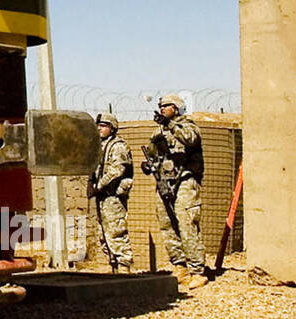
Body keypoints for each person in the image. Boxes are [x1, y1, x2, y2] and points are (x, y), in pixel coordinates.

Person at [144, 94, 208, 291]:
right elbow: (154, 152)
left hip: (185, 181)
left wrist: (170, 126)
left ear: (177, 108)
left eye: (167, 106)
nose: (163, 109)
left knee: (186, 222)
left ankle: (197, 270)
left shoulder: (188, 125)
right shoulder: (159, 132)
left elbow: (190, 139)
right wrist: (149, 164)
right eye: (161, 106)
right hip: (165, 181)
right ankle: (179, 265)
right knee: (167, 223)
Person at [89, 114, 134, 272]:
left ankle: (123, 269)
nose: (99, 128)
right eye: (98, 125)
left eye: (104, 125)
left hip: (113, 196)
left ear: (112, 128)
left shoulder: (118, 146)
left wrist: (98, 186)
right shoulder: (100, 146)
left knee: (116, 232)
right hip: (103, 196)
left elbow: (117, 170)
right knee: (104, 235)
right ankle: (114, 266)